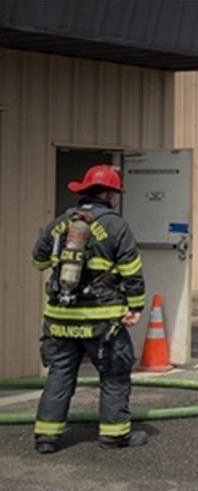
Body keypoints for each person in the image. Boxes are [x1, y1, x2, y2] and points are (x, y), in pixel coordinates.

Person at [30, 165, 148, 454]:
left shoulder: (59, 223)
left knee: (59, 374)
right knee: (114, 375)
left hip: (59, 318)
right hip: (102, 320)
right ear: (109, 194)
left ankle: (46, 437)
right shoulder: (116, 226)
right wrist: (135, 306)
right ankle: (113, 436)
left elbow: (39, 262)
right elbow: (132, 272)